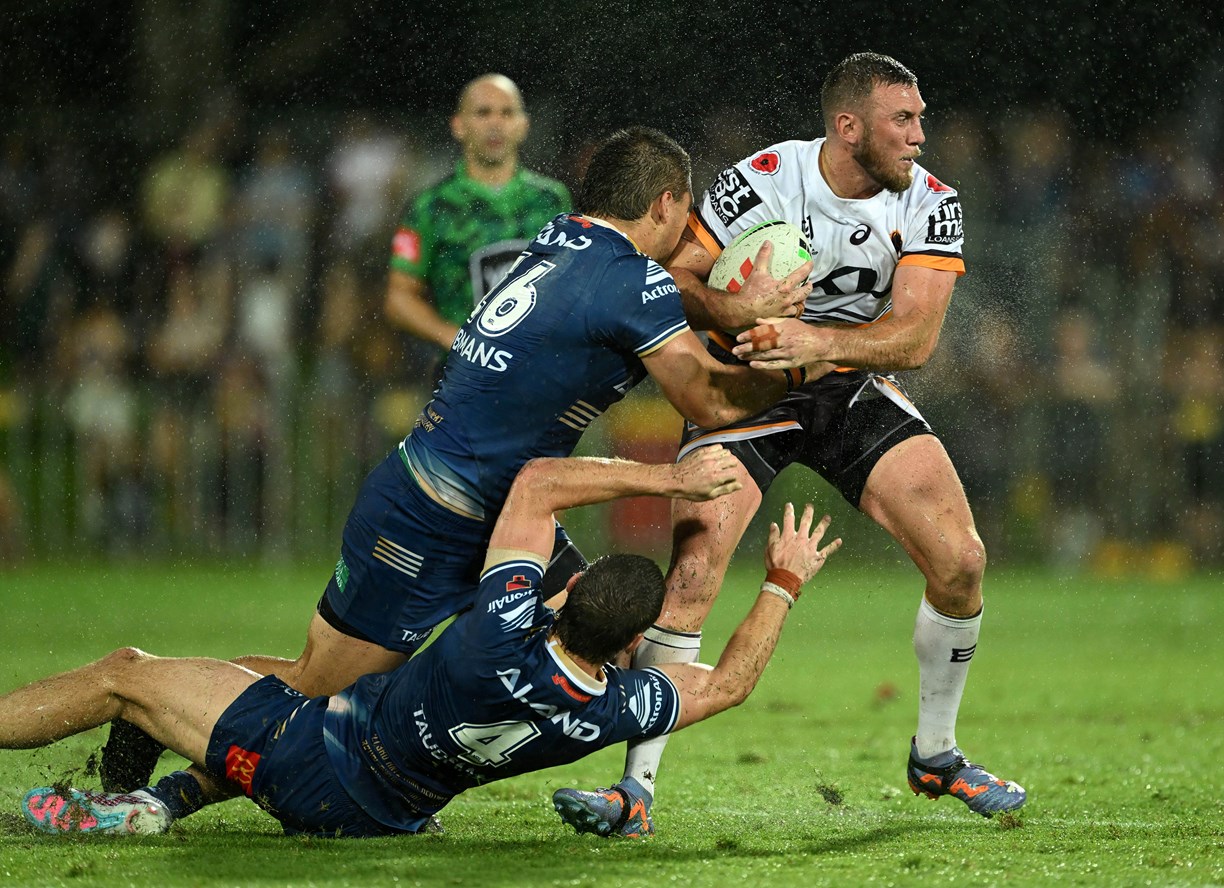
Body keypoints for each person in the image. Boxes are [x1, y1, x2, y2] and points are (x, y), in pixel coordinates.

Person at [98, 125, 814, 796]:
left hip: (503, 503)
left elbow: (655, 298)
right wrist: (793, 353)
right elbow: (713, 403)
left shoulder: (564, 237)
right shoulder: (632, 281)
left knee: (599, 651)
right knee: (319, 686)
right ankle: (150, 702)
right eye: (685, 217)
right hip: (441, 507)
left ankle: (624, 794)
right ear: (666, 204)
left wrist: (728, 310)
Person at [556, 52, 1026, 837]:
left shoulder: (933, 203)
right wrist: (739, 317)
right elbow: (680, 276)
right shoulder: (764, 179)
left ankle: (936, 756)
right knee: (693, 581)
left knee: (963, 560)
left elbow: (912, 338)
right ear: (848, 127)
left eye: (920, 119)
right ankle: (634, 793)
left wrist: (810, 338)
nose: (919, 135)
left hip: (845, 386)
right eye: (901, 121)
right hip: (748, 389)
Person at [4, 450, 841, 838]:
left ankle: (126, 802)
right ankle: (159, 803)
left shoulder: (498, 625)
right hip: (387, 818)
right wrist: (783, 582)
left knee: (129, 676)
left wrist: (667, 479)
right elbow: (728, 683)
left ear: (571, 591)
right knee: (265, 693)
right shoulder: (614, 709)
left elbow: (535, 485)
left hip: (309, 760)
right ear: (630, 645)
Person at [384, 73, 571, 369]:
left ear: (524, 125)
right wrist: (455, 338)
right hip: (465, 382)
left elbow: (573, 283)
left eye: (507, 113)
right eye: (483, 113)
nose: (496, 123)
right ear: (459, 125)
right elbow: (398, 298)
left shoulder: (552, 200)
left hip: (542, 376)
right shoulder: (430, 207)